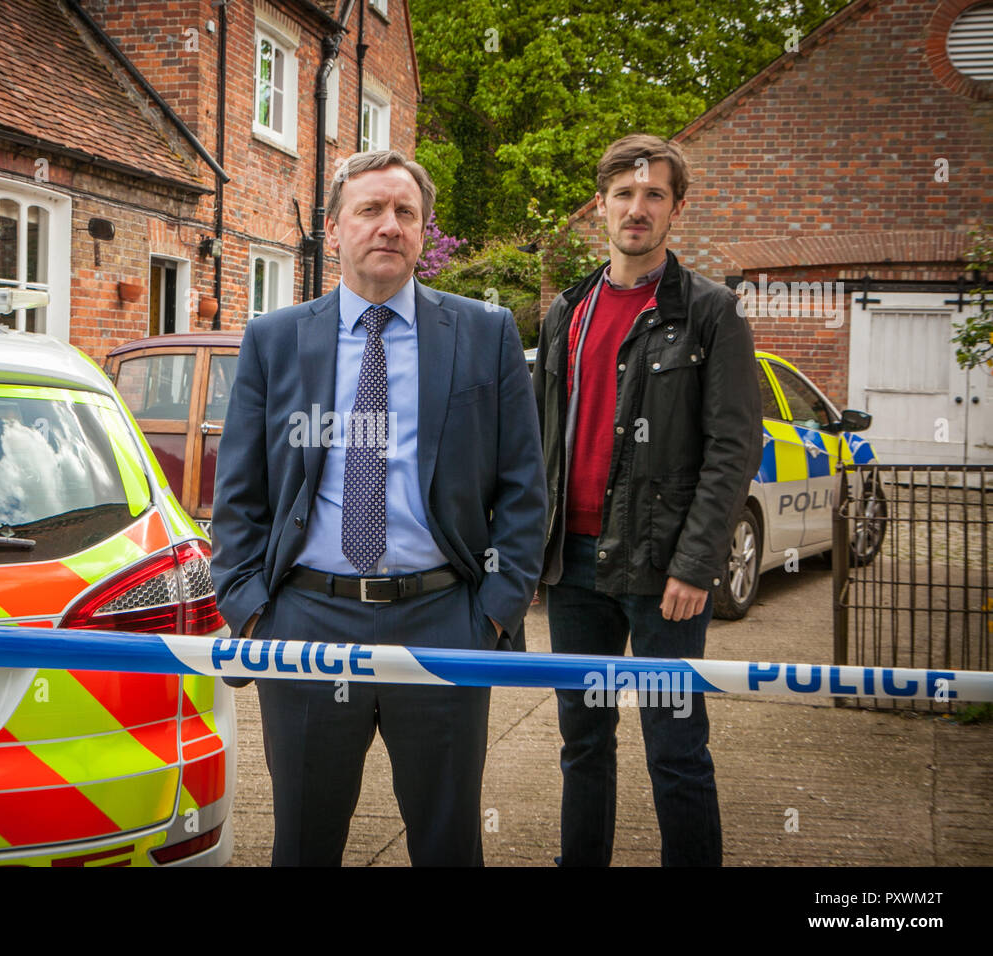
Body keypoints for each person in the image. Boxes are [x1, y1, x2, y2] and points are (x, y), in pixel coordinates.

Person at [211, 150, 545, 866]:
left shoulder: (485, 335)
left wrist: (493, 612)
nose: (387, 226)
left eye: (404, 212)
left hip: (444, 622)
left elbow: (524, 485)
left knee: (449, 844)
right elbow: (238, 493)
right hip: (303, 624)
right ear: (332, 230)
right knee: (303, 842)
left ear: (424, 232)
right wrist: (251, 609)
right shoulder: (274, 340)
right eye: (369, 210)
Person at [533, 134, 763, 866]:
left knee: (675, 744)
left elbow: (734, 448)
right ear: (600, 205)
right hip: (573, 569)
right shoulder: (566, 310)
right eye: (625, 194)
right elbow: (541, 439)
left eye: (654, 195)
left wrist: (697, 565)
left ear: (676, 209)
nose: (638, 208)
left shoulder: (710, 313)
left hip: (663, 572)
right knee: (584, 742)